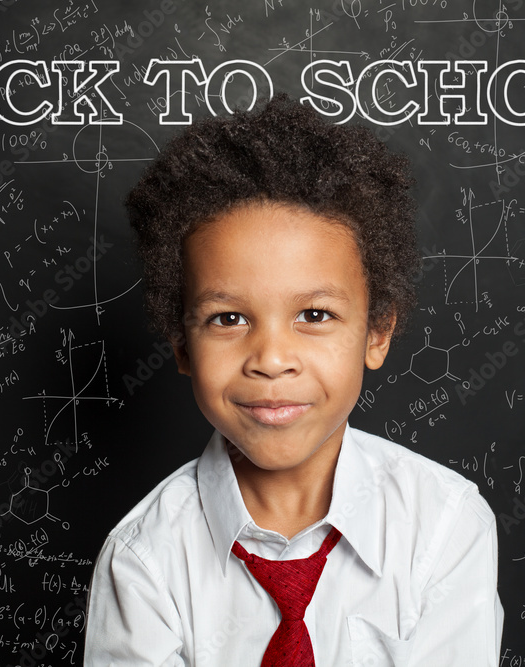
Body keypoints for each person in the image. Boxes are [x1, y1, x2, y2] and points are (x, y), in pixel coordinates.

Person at [84, 93, 503, 666]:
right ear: (181, 344)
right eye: (227, 319)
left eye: (315, 315)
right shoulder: (144, 559)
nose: (272, 358)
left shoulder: (444, 526)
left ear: (376, 334)